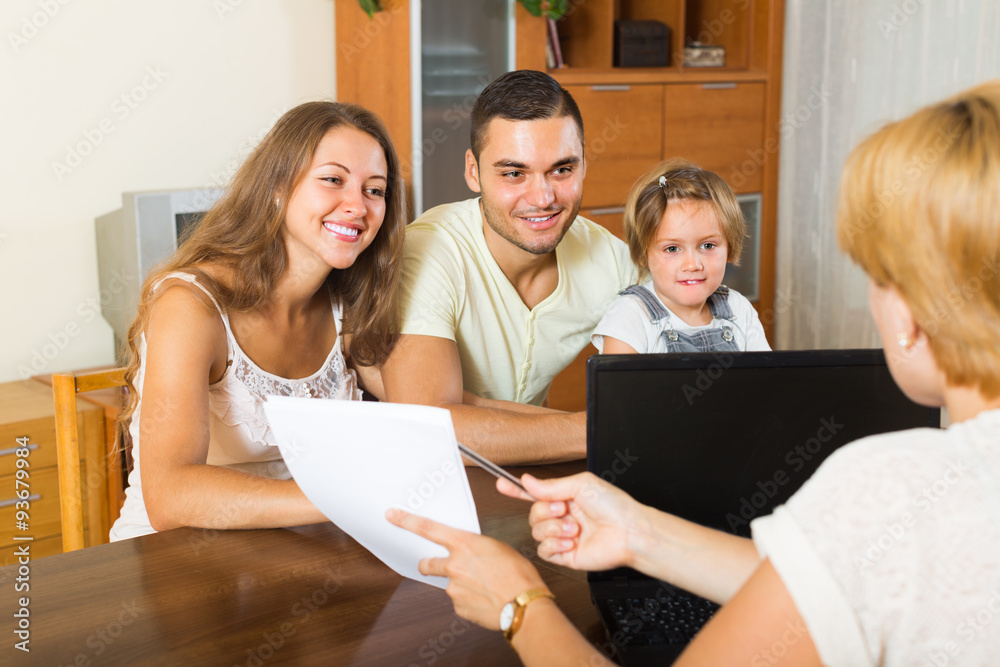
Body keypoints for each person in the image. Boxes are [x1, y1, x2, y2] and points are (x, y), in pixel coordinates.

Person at [387, 80, 1000, 665]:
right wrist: (640, 531)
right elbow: (831, 582)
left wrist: (518, 604)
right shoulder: (919, 490)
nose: (543, 195)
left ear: (914, 313)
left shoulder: (886, 486)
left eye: (879, 272)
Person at [110, 101, 406, 540]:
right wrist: (345, 500)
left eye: (374, 190)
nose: (357, 206)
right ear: (278, 187)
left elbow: (430, 407)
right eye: (332, 180)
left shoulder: (349, 303)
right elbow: (170, 495)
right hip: (175, 564)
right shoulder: (189, 304)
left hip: (300, 551)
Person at [380, 70, 637, 465]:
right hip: (416, 476)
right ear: (473, 171)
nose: (543, 197)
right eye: (514, 173)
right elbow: (428, 426)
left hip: (525, 479)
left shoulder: (612, 260)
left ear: (584, 164)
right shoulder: (428, 251)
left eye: (562, 169)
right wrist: (604, 428)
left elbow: (677, 375)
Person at [592, 159, 770, 354]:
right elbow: (619, 384)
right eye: (672, 249)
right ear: (643, 254)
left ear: (730, 246)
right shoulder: (630, 317)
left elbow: (765, 381)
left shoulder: (738, 309)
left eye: (708, 245)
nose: (692, 265)